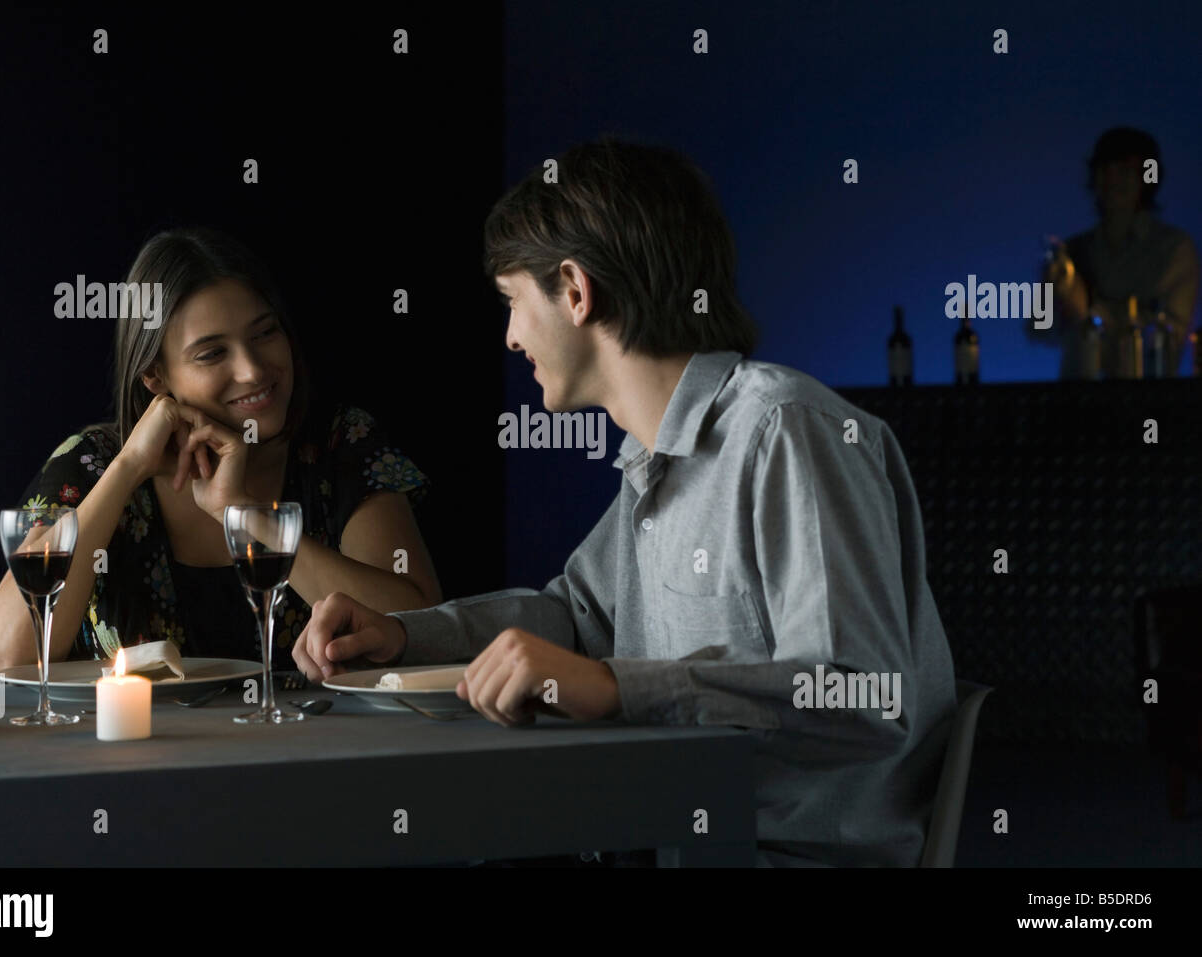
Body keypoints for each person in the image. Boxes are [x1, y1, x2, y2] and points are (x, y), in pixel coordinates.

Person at [292, 140, 958, 867]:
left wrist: (617, 686)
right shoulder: (650, 461)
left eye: (513, 302)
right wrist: (401, 636)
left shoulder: (786, 431)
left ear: (576, 291)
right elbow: (576, 618)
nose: (510, 337)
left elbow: (864, 696)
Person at [0, 228, 442, 672]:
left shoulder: (340, 443)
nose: (253, 370)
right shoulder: (93, 462)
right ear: (156, 378)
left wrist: (240, 512)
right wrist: (127, 469)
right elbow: (12, 653)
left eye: (264, 333)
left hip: (312, 748)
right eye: (212, 354)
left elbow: (421, 629)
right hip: (136, 753)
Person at [1030, 127, 1199, 377]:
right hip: (1078, 404)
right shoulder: (1074, 250)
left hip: (1143, 403)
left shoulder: (1173, 249)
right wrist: (1050, 292)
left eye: (1124, 170)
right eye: (1103, 170)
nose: (1111, 179)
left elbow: (1166, 342)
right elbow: (1038, 330)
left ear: (1147, 178)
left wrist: (1089, 313)